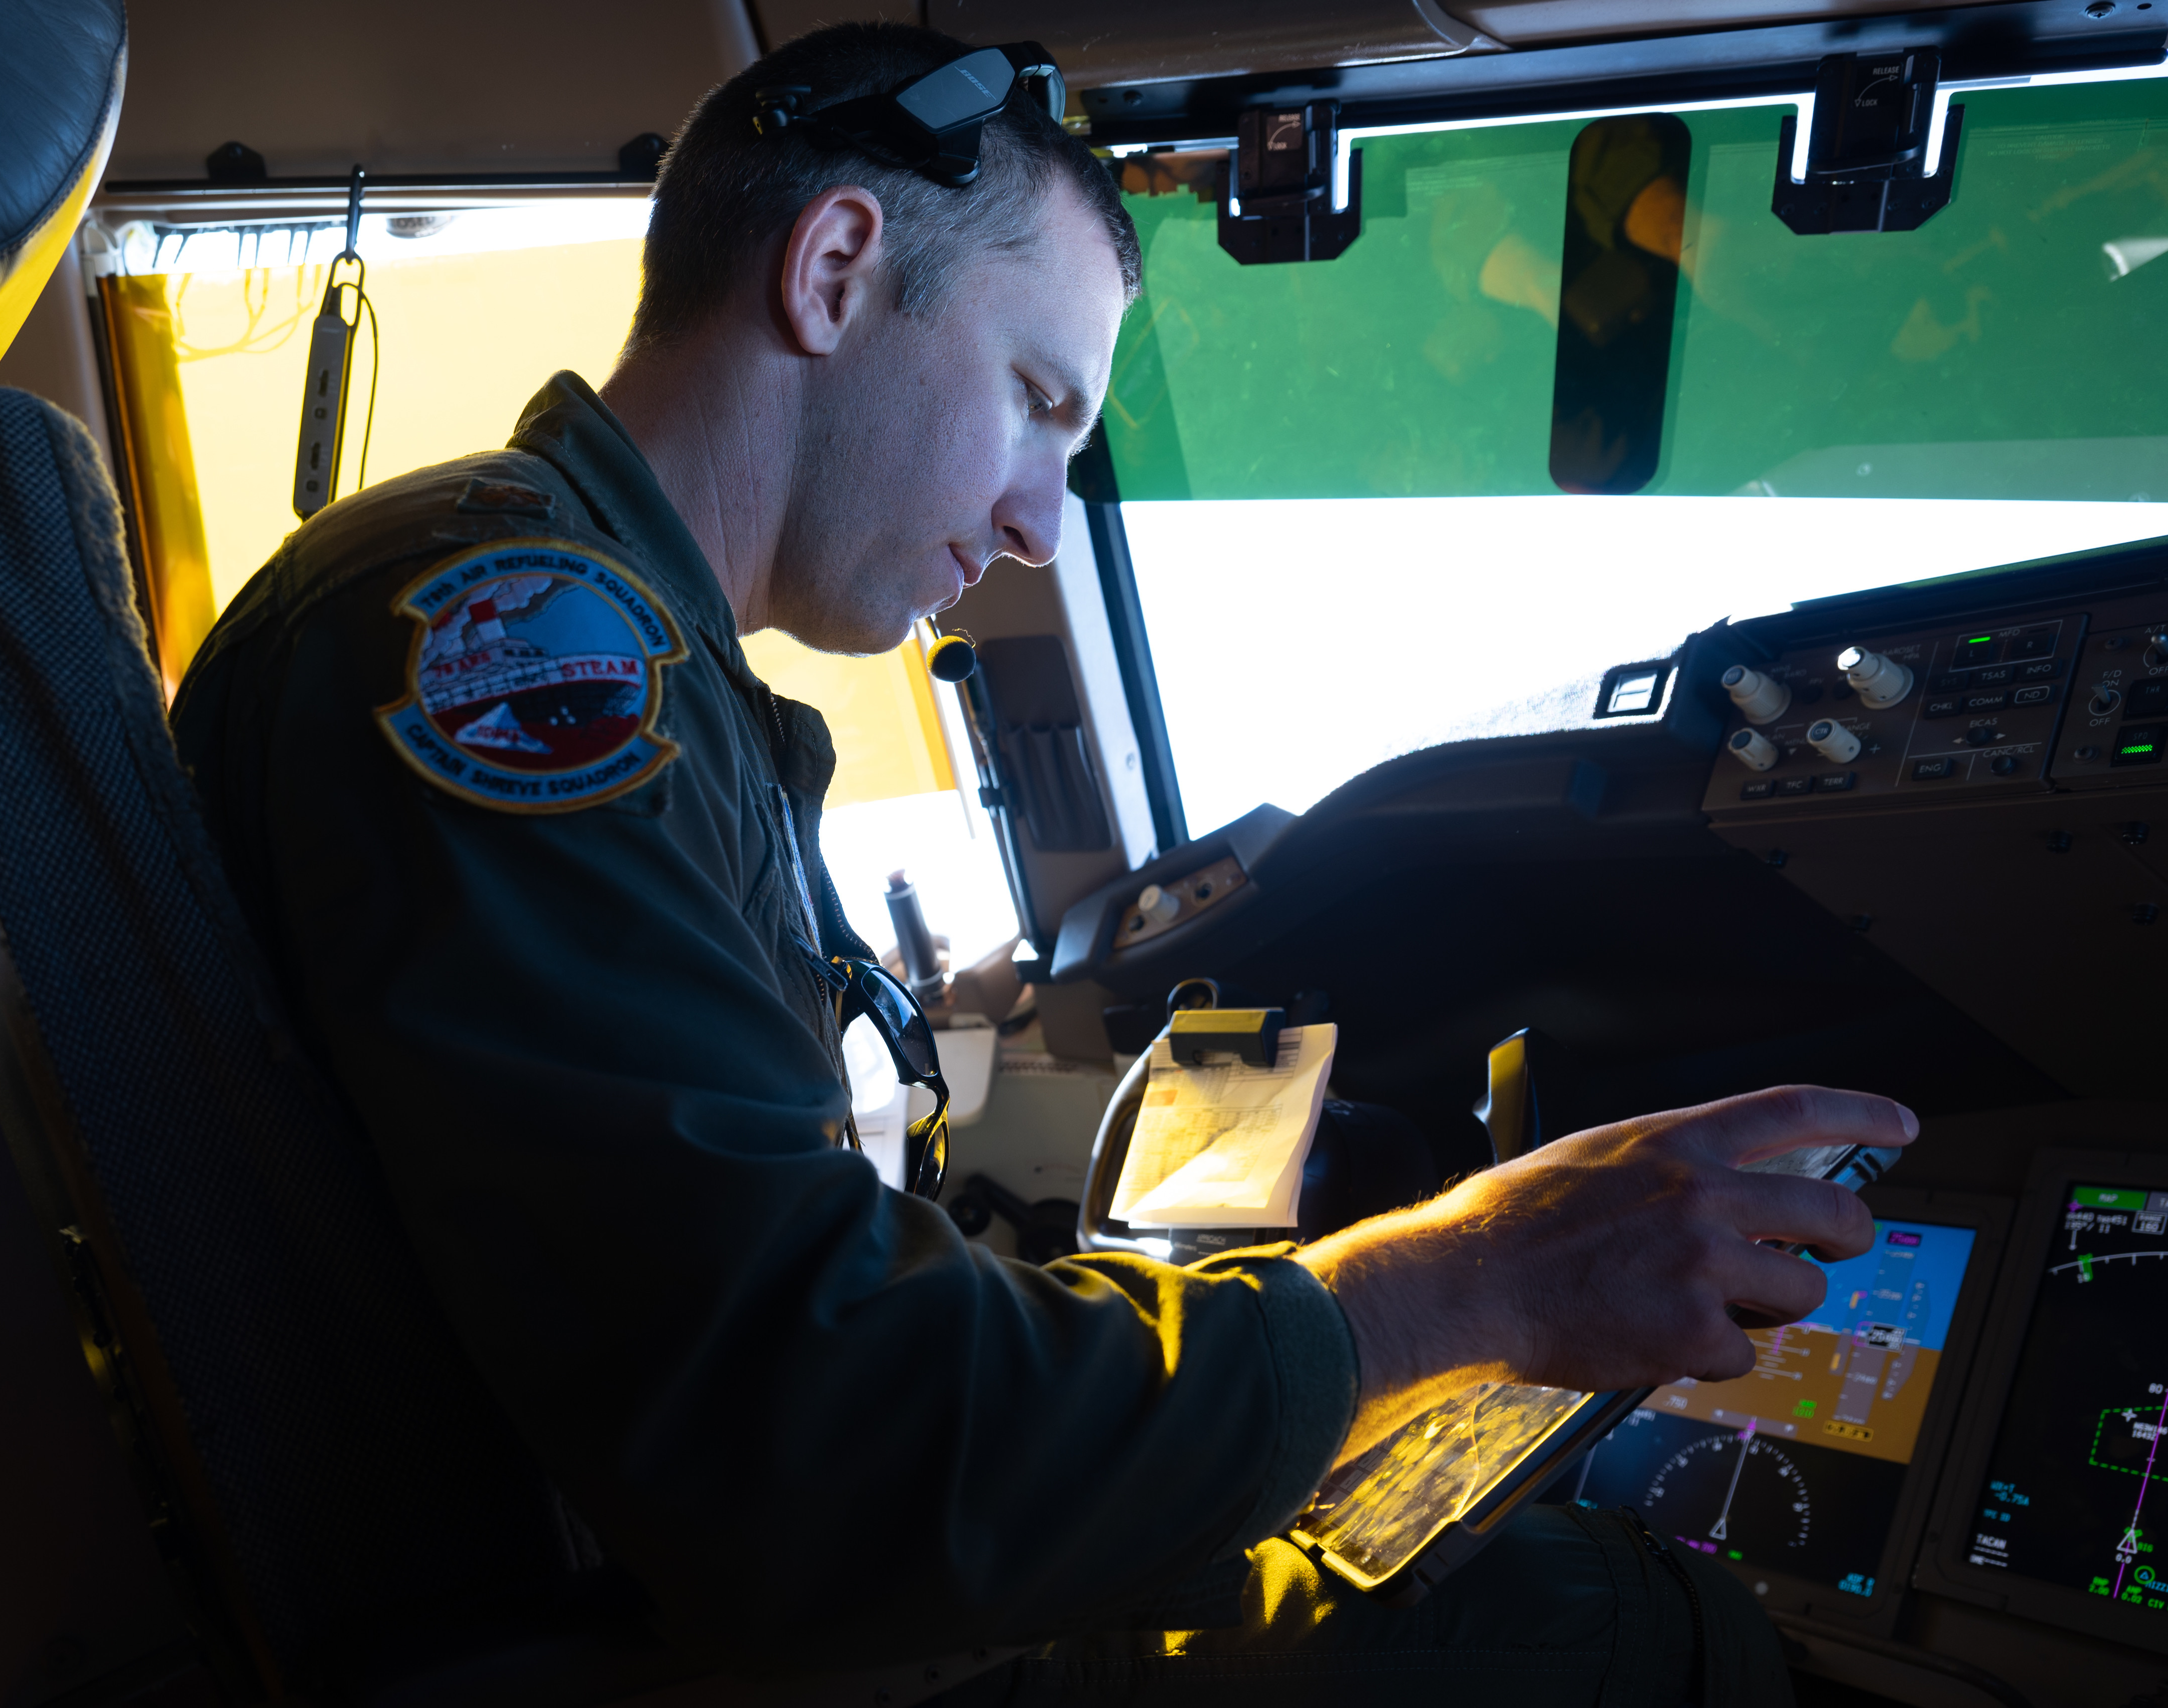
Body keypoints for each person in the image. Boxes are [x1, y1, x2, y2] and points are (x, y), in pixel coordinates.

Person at [169, 21, 1911, 1703]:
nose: (1032, 525)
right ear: (835, 268)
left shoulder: (586, 638)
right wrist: (1466, 1277)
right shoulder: (519, 646)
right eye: (1031, 399)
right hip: (599, 1627)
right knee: (1622, 1630)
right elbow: (814, 1452)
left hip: (611, 1574)